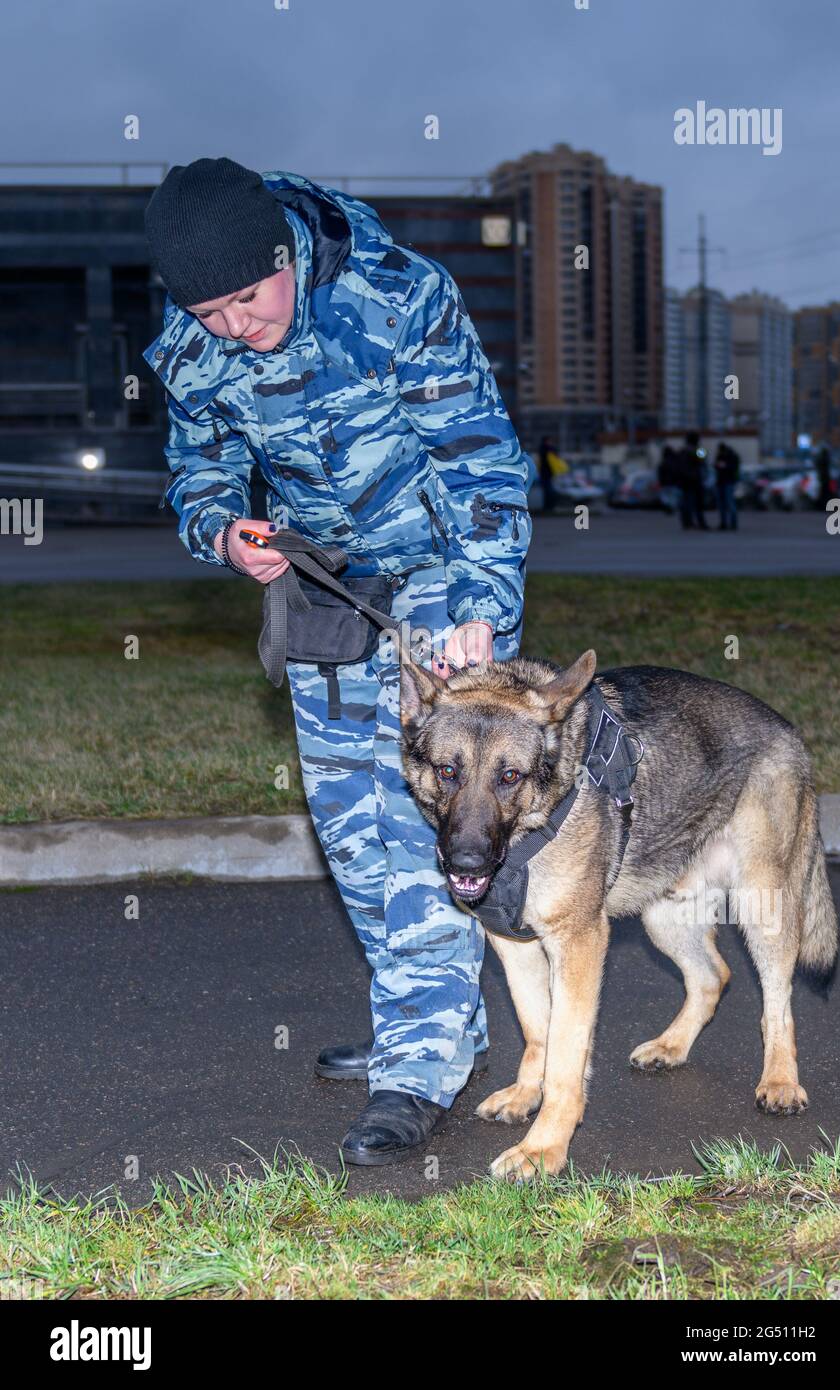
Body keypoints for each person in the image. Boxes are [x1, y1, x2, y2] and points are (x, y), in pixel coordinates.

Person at [142, 158, 531, 1166]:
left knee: (423, 825)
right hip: (321, 581)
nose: (231, 325)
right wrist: (224, 530)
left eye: (245, 299)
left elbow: (477, 458)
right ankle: (430, 1019)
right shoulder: (191, 338)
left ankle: (419, 1062)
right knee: (352, 830)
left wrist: (482, 609)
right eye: (207, 310)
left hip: (440, 570)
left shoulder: (396, 295)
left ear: (283, 256)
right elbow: (198, 466)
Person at [678, 431, 709, 530]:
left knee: (686, 502)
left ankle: (687, 522)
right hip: (695, 479)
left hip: (685, 480)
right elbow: (703, 458)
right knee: (697, 503)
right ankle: (700, 522)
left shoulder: (683, 451)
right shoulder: (696, 450)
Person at [713, 441, 740, 530]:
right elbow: (715, 466)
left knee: (729, 503)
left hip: (728, 482)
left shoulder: (731, 456)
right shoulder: (721, 456)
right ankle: (724, 523)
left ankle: (732, 523)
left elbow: (732, 467)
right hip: (721, 482)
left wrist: (724, 466)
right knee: (722, 504)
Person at [537, 435, 557, 513]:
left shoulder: (542, 449)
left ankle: (547, 506)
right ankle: (549, 506)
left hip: (544, 473)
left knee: (546, 491)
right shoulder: (547, 449)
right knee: (549, 490)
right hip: (547, 473)